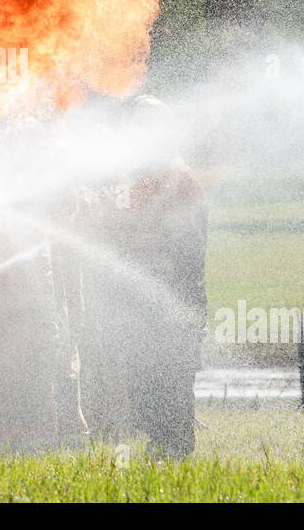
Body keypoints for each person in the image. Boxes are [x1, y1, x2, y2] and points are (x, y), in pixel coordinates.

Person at [73, 96, 207, 457]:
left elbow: (189, 248)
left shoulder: (178, 179)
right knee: (143, 376)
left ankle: (175, 449)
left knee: (172, 376)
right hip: (131, 299)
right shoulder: (130, 179)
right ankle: (157, 445)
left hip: (171, 298)